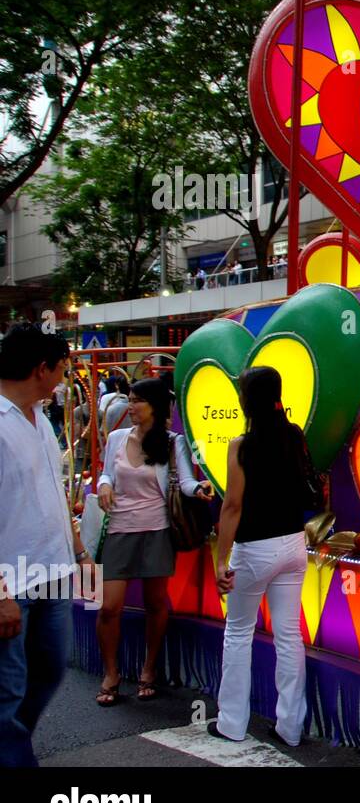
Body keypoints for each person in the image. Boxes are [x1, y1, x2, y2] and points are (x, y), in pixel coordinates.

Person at [0, 324, 93, 766]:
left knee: (50, 670)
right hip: (11, 580)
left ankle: (13, 746)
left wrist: (76, 548)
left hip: (53, 571)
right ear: (41, 369)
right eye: (61, 369)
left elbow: (51, 489)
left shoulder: (39, 418)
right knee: (9, 687)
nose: (63, 378)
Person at [211, 366, 317, 746]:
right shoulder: (294, 435)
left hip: (255, 548)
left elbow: (232, 506)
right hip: (293, 544)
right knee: (289, 636)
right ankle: (290, 727)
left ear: (245, 400)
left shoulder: (242, 445)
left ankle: (231, 723)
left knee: (238, 632)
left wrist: (220, 560)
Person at [94, 377, 212, 706]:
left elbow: (186, 482)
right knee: (109, 607)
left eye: (138, 401)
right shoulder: (117, 438)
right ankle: (111, 672)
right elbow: (106, 473)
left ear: (155, 406)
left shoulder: (173, 442)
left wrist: (199, 490)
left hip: (157, 530)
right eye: (130, 400)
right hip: (119, 528)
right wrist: (104, 484)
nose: (131, 407)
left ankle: (149, 669)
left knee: (156, 603)